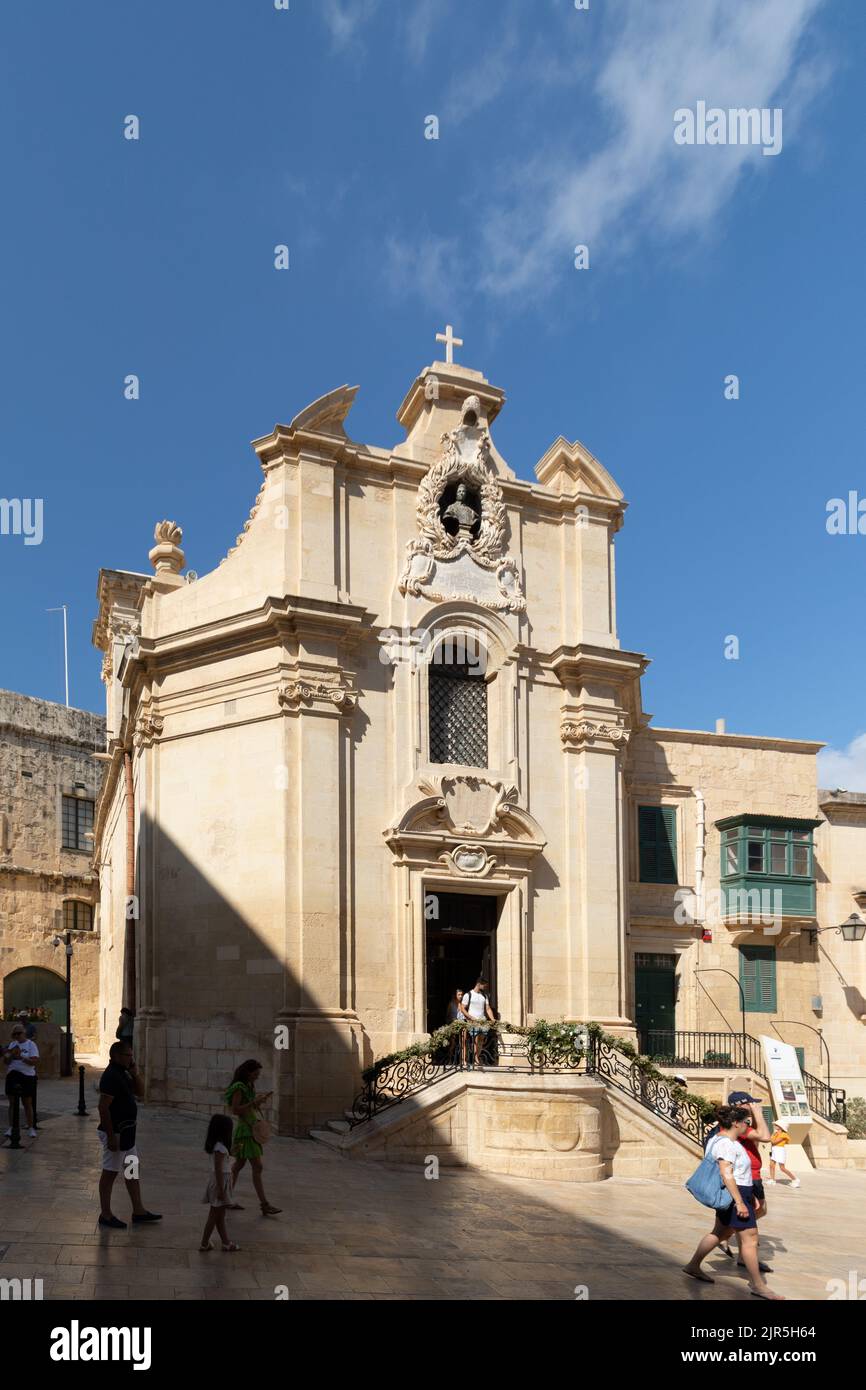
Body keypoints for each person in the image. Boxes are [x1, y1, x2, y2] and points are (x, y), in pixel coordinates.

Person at [683, 1103, 784, 1300]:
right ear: (736, 1123)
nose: (748, 1125)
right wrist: (739, 1201)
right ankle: (757, 1284)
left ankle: (693, 1265)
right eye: (746, 1122)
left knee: (721, 1232)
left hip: (740, 1193)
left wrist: (750, 1196)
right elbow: (727, 1173)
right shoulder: (727, 1144)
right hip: (734, 1196)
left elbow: (739, 1172)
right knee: (750, 1238)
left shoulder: (724, 1140)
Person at [704, 1090, 774, 1273]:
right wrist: (758, 1113)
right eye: (749, 1103)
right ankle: (744, 1258)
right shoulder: (737, 1126)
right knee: (736, 1225)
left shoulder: (739, 1125)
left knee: (750, 1216)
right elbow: (766, 1136)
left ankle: (736, 1250)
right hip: (746, 1177)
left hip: (749, 1176)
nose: (752, 1106)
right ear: (740, 1106)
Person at [96, 1040, 162, 1229]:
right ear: (116, 1056)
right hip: (116, 1134)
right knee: (109, 1173)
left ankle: (138, 1210)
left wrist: (135, 1073)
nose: (131, 1058)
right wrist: (110, 1137)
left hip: (127, 1134)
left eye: (132, 1055)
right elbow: (103, 1108)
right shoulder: (110, 1076)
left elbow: (141, 1093)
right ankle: (106, 1214)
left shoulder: (123, 1074)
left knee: (131, 1170)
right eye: (128, 1055)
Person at [224, 1060, 281, 1216]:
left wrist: (258, 1102)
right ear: (248, 1072)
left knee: (238, 1166)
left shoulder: (248, 1086)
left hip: (250, 1129)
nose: (257, 1077)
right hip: (245, 1132)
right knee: (256, 1166)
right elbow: (235, 1110)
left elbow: (248, 1107)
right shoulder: (239, 1088)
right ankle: (264, 1204)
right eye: (255, 1074)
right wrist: (254, 1102)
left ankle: (225, 1199)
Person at [199, 1114, 239, 1252]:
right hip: (220, 1184)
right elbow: (218, 1169)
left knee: (220, 1215)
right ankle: (204, 1243)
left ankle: (226, 1242)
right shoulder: (220, 1148)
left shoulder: (219, 1147)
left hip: (220, 1182)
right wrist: (221, 1190)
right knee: (214, 1214)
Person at [3, 1023, 39, 1138]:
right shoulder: (12, 1045)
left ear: (24, 1033)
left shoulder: (31, 1045)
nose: (17, 1036)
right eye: (15, 1034)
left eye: (19, 1033)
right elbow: (6, 1062)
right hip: (13, 1075)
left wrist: (21, 1057)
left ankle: (31, 1127)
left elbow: (34, 1061)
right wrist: (9, 1056)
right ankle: (11, 1127)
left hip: (27, 1076)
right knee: (12, 1103)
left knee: (27, 1103)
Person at [459, 978, 496, 1068]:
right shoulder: (468, 994)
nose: (485, 987)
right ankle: (475, 1059)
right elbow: (463, 1008)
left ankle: (477, 1056)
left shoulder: (484, 995)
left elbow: (487, 1008)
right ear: (479, 984)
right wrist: (470, 1017)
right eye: (484, 985)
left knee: (480, 1040)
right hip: (473, 1021)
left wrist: (492, 1019)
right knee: (476, 1038)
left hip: (482, 1020)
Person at [446, 987, 467, 1067]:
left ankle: (463, 1060)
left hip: (463, 1023)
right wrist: (449, 1024)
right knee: (452, 1043)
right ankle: (450, 1060)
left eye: (462, 995)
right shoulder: (451, 1004)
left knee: (463, 1042)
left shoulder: (463, 1004)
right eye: (459, 995)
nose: (460, 996)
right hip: (453, 1024)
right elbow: (448, 1015)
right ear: (455, 995)